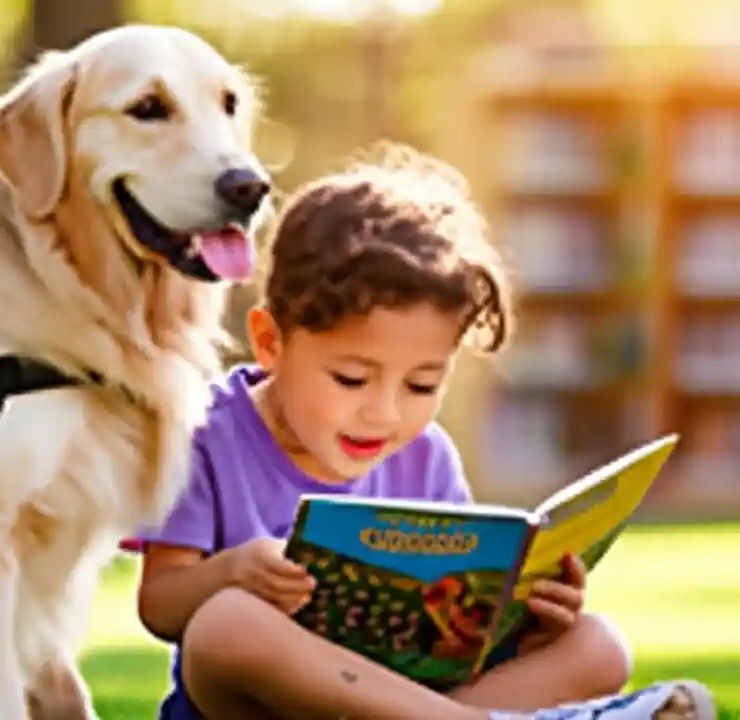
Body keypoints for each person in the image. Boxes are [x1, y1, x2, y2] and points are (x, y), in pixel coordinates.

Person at [132, 142, 716, 720]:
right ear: (271, 343)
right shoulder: (205, 432)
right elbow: (160, 605)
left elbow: (457, 630)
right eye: (351, 378)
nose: (384, 414)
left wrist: (526, 620)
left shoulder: (427, 454)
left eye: (421, 385)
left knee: (598, 644)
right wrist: (233, 571)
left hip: (405, 699)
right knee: (226, 623)